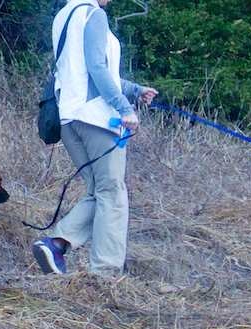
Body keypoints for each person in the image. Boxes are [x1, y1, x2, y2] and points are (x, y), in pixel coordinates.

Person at [32, 0, 158, 276]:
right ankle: (106, 272)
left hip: (69, 120)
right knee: (113, 192)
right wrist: (126, 108)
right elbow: (96, 69)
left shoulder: (64, 15)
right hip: (98, 120)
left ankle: (56, 244)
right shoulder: (93, 14)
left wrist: (135, 90)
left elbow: (85, 72)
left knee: (99, 190)